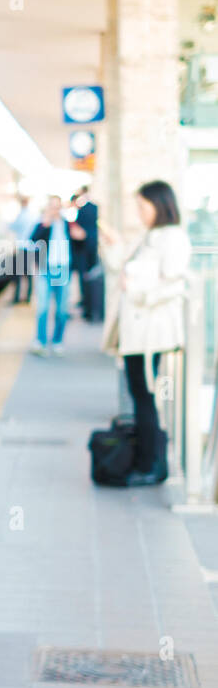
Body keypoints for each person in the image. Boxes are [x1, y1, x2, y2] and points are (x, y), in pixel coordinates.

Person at [100, 180, 192, 486]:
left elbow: (174, 283)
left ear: (160, 204)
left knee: (146, 397)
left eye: (143, 206)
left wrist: (137, 288)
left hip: (153, 335)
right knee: (141, 395)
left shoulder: (173, 239)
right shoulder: (150, 236)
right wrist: (112, 244)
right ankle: (147, 461)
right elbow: (122, 270)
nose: (139, 212)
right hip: (138, 334)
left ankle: (152, 464)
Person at [28, 194, 73, 356]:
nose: (54, 209)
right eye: (52, 206)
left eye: (57, 206)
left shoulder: (67, 224)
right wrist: (46, 223)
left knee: (62, 309)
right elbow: (33, 239)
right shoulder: (43, 223)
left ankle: (57, 341)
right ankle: (40, 341)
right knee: (43, 308)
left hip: (63, 270)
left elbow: (79, 241)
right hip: (45, 269)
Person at [69, 185, 102, 322]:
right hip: (91, 251)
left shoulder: (82, 211)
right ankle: (89, 308)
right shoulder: (95, 208)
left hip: (83, 252)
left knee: (85, 282)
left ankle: (87, 310)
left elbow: (80, 234)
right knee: (90, 281)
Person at [8, 194, 40, 304]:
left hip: (22, 247)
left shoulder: (21, 215)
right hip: (32, 247)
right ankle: (28, 297)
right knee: (29, 274)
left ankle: (17, 297)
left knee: (18, 274)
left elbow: (12, 227)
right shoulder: (34, 215)